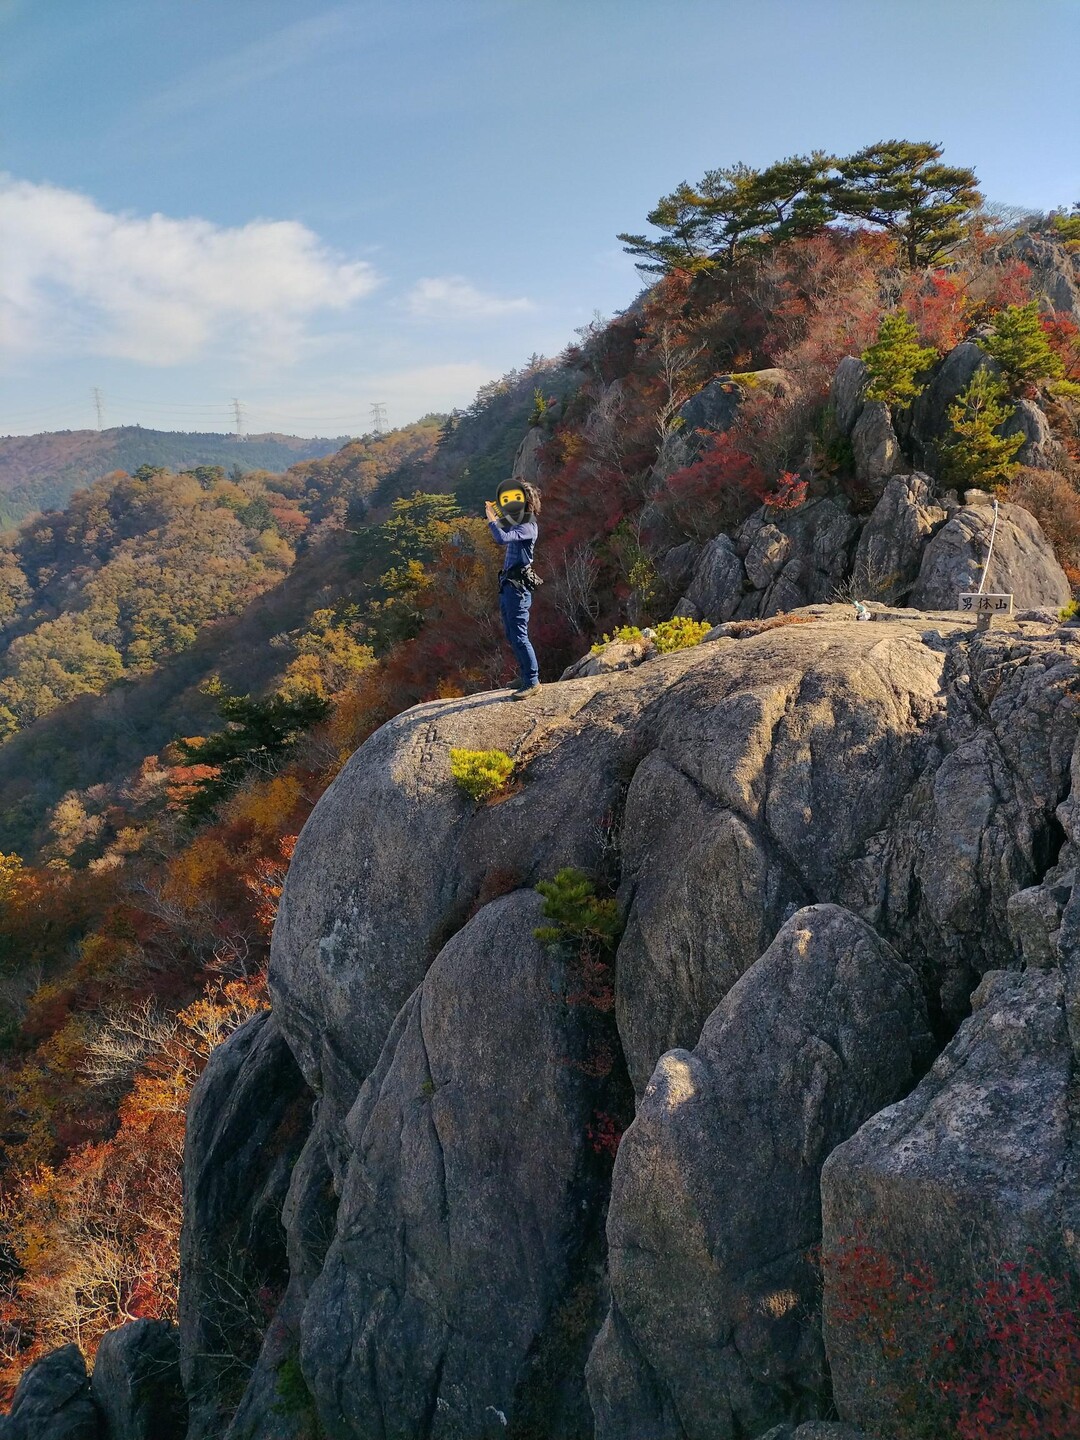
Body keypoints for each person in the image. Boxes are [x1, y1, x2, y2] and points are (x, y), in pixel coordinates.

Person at [485, 481, 542, 699]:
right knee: (511, 632)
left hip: (518, 588)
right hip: (509, 585)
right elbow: (503, 525)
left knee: (519, 635)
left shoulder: (527, 525)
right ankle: (525, 675)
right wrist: (496, 512)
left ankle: (532, 681)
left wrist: (491, 518)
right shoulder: (519, 521)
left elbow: (501, 537)